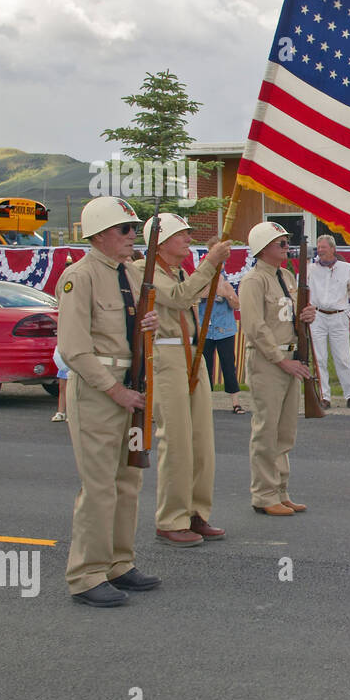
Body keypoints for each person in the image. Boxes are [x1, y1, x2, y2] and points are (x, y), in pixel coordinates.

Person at [55, 196, 160, 608]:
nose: (133, 236)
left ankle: (118, 563)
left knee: (127, 480)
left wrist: (148, 323)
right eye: (125, 229)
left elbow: (134, 327)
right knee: (99, 486)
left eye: (134, 228)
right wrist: (114, 390)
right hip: (101, 391)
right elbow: (74, 349)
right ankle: (85, 575)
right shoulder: (79, 277)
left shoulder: (130, 274)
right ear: (99, 234)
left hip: (131, 383)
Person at [140, 213, 231, 547]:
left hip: (192, 353)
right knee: (176, 441)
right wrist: (209, 264)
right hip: (166, 356)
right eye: (181, 234)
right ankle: (171, 518)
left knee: (201, 441)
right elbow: (178, 297)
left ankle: (196, 511)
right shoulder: (144, 271)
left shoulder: (178, 271)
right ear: (160, 242)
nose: (188, 238)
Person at [239, 222, 317, 516]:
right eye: (280, 244)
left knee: (284, 431)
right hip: (268, 361)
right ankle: (263, 493)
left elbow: (290, 316)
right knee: (266, 430)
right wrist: (280, 359)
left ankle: (280, 490)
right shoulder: (254, 281)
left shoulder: (285, 276)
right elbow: (255, 327)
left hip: (289, 359)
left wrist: (306, 315)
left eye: (286, 243)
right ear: (263, 248)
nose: (287, 247)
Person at [308, 234, 350, 409]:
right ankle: (324, 397)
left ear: (333, 249)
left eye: (324, 247)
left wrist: (349, 314)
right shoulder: (311, 269)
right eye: (318, 248)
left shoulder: (345, 268)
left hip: (339, 316)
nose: (320, 251)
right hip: (317, 316)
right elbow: (301, 291)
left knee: (342, 358)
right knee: (320, 359)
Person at [198, 237, 245, 414]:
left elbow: (236, 304)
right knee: (205, 365)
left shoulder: (225, 282)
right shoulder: (201, 278)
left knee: (228, 363)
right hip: (205, 328)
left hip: (225, 329)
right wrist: (209, 290)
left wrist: (227, 295)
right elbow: (195, 296)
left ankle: (235, 401)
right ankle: (205, 402)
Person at [51, 347, 69, 421]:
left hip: (72, 362)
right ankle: (61, 412)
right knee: (62, 388)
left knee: (72, 390)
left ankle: (72, 414)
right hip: (63, 362)